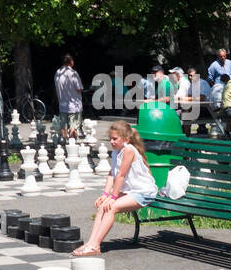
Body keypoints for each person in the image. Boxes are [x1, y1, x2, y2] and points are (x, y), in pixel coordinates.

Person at [73, 120, 158, 256]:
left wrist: (113, 197)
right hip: (131, 191)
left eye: (115, 139)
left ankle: (95, 245)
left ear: (126, 139)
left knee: (111, 207)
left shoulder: (129, 150)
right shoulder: (116, 152)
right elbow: (111, 174)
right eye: (110, 139)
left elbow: (121, 176)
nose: (111, 142)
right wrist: (105, 195)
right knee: (102, 206)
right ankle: (91, 242)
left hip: (143, 192)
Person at [54, 53, 84, 138]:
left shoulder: (58, 73)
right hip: (74, 106)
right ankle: (72, 146)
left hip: (62, 104)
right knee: (73, 127)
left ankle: (63, 146)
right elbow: (79, 88)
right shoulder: (73, 73)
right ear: (71, 62)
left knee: (63, 128)